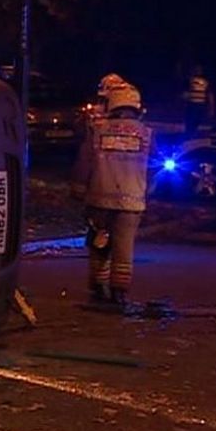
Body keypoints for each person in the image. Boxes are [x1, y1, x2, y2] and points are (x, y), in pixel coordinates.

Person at [71, 84, 153, 308]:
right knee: (124, 248)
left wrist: (78, 189)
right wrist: (150, 191)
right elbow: (156, 167)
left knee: (99, 246)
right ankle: (120, 292)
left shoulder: (98, 131)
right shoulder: (147, 134)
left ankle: (98, 287)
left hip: (99, 200)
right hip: (132, 202)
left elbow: (84, 163)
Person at [182, 66, 214, 135]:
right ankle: (189, 134)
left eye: (199, 69)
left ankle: (193, 134)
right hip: (191, 103)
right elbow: (185, 92)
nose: (197, 71)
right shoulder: (190, 79)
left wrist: (211, 107)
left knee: (197, 122)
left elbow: (209, 93)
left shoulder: (206, 81)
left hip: (200, 104)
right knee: (189, 121)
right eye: (196, 69)